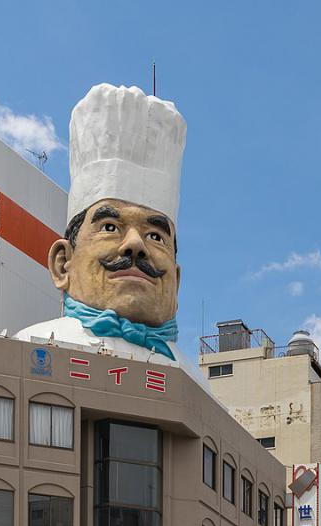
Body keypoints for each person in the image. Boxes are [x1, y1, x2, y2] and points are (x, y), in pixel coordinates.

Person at [13, 84, 203, 385]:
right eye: (110, 228)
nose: (135, 245)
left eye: (155, 236)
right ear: (63, 263)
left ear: (176, 283)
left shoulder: (193, 380)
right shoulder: (30, 350)